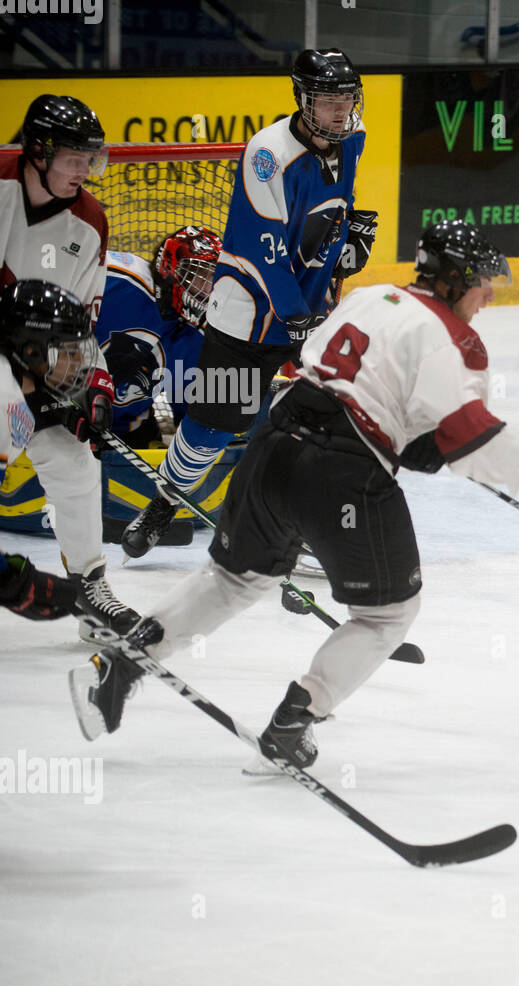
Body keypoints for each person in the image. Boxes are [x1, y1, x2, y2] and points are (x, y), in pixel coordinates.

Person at [70, 220, 519, 774]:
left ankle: (124, 662)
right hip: (340, 472)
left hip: (274, 441)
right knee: (387, 615)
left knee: (233, 580)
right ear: (456, 280)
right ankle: (294, 721)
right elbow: (466, 432)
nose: (489, 296)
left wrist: (422, 446)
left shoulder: (367, 299)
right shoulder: (448, 337)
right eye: (483, 284)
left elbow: (368, 396)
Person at [122, 47, 377, 558]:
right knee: (210, 431)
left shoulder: (354, 139)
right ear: (303, 99)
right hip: (248, 317)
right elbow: (269, 251)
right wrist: (298, 320)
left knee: (324, 424)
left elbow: (329, 213)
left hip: (306, 310)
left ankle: (304, 525)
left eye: (346, 98)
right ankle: (166, 500)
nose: (340, 110)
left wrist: (345, 243)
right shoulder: (268, 154)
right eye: (328, 100)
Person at [0, 94, 140, 636]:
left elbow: (77, 327)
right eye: (73, 157)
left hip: (30, 360)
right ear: (39, 151)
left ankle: (89, 587)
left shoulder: (90, 224)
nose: (85, 169)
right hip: (13, 369)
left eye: (90, 157)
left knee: (75, 460)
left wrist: (91, 388)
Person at [96, 225, 222, 446]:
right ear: (170, 266)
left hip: (129, 431)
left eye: (213, 278)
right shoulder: (116, 280)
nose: (206, 288)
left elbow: (192, 412)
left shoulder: (199, 332)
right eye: (199, 275)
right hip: (62, 421)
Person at [0, 287, 80, 621]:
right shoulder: (6, 403)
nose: (78, 362)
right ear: (32, 351)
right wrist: (9, 579)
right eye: (69, 351)